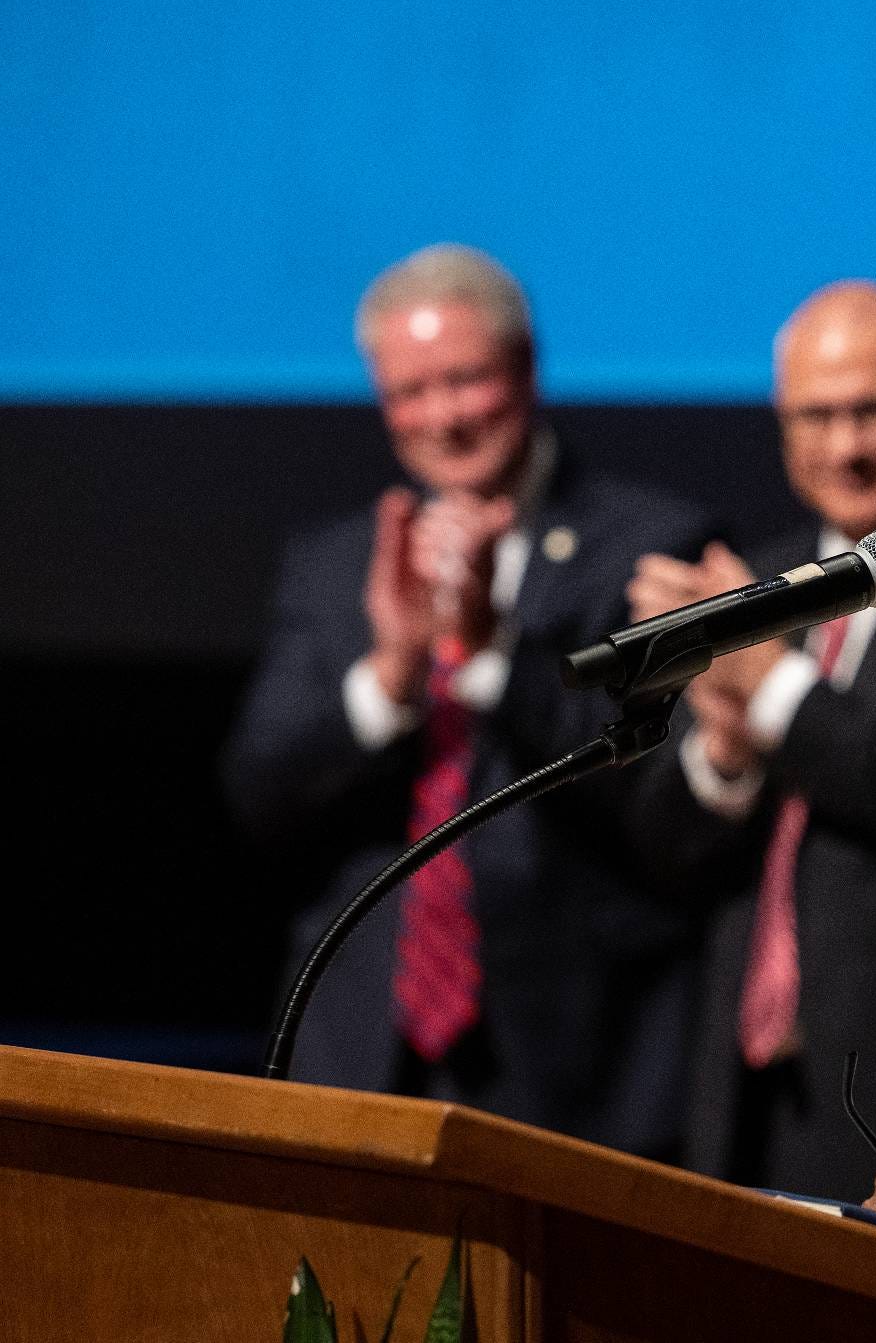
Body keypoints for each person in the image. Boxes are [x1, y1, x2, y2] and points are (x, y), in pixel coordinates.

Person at [223, 245, 712, 1156]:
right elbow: (260, 795)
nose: (441, 417)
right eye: (410, 392)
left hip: (574, 1060)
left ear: (526, 369)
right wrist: (394, 674)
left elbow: (661, 807)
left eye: (465, 380)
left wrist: (495, 654)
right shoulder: (336, 567)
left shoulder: (650, 545)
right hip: (361, 1042)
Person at [630, 280, 876, 1202]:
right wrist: (722, 753)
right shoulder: (758, 576)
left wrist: (777, 694)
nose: (847, 446)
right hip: (750, 1079)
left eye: (874, 409)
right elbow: (667, 849)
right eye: (817, 415)